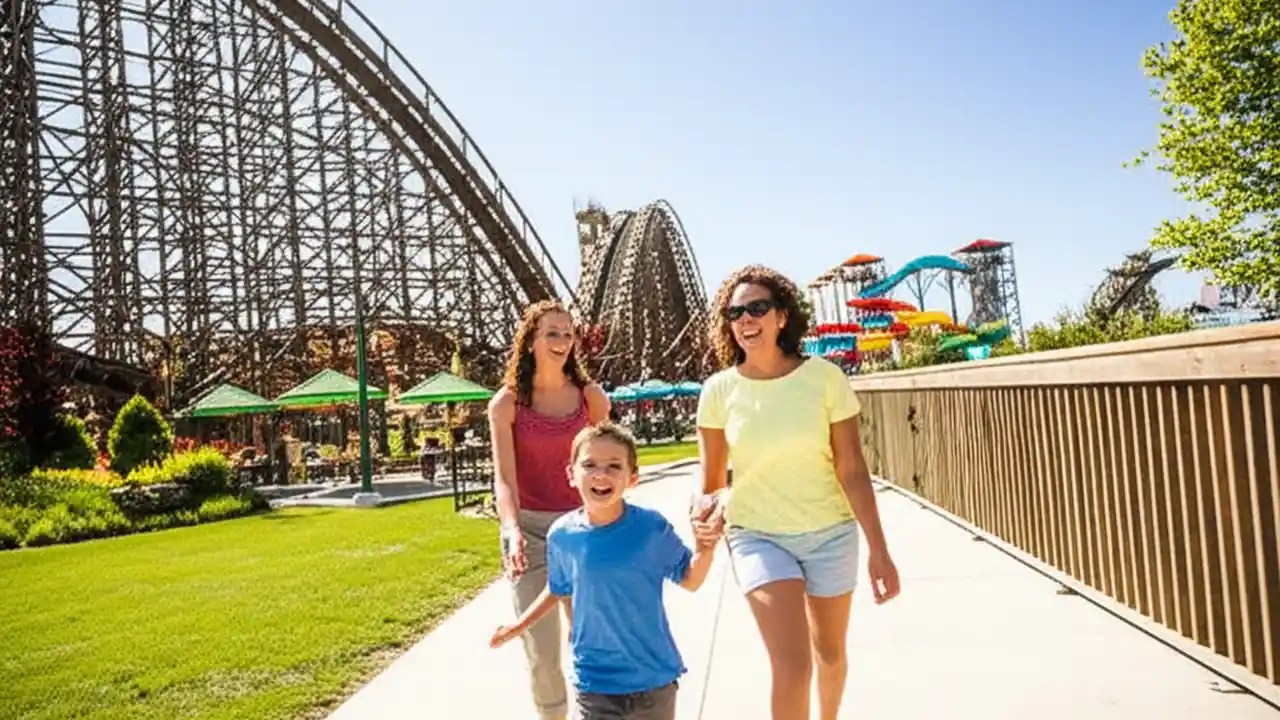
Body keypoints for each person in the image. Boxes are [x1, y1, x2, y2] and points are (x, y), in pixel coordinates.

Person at [692, 265, 901, 720]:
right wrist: (701, 514)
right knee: (792, 664)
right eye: (735, 312)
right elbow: (709, 484)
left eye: (758, 308)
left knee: (830, 656)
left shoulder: (824, 378)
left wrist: (879, 550)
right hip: (757, 535)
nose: (746, 319)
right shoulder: (719, 391)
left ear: (782, 317)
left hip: (831, 533)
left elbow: (852, 468)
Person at [490, 422, 721, 720]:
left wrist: (706, 546)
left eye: (614, 466)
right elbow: (559, 588)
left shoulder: (650, 528)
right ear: (571, 475)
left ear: (632, 478)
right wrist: (518, 626)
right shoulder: (562, 535)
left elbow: (690, 579)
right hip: (595, 681)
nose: (601, 473)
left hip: (652, 680)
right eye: (589, 464)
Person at [489, 300, 612, 720]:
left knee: (592, 644)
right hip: (531, 534)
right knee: (541, 653)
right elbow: (504, 479)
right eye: (552, 333)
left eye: (568, 333)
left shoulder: (591, 399)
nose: (563, 341)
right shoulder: (506, 405)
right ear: (530, 343)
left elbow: (606, 466)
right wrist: (509, 528)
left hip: (584, 532)